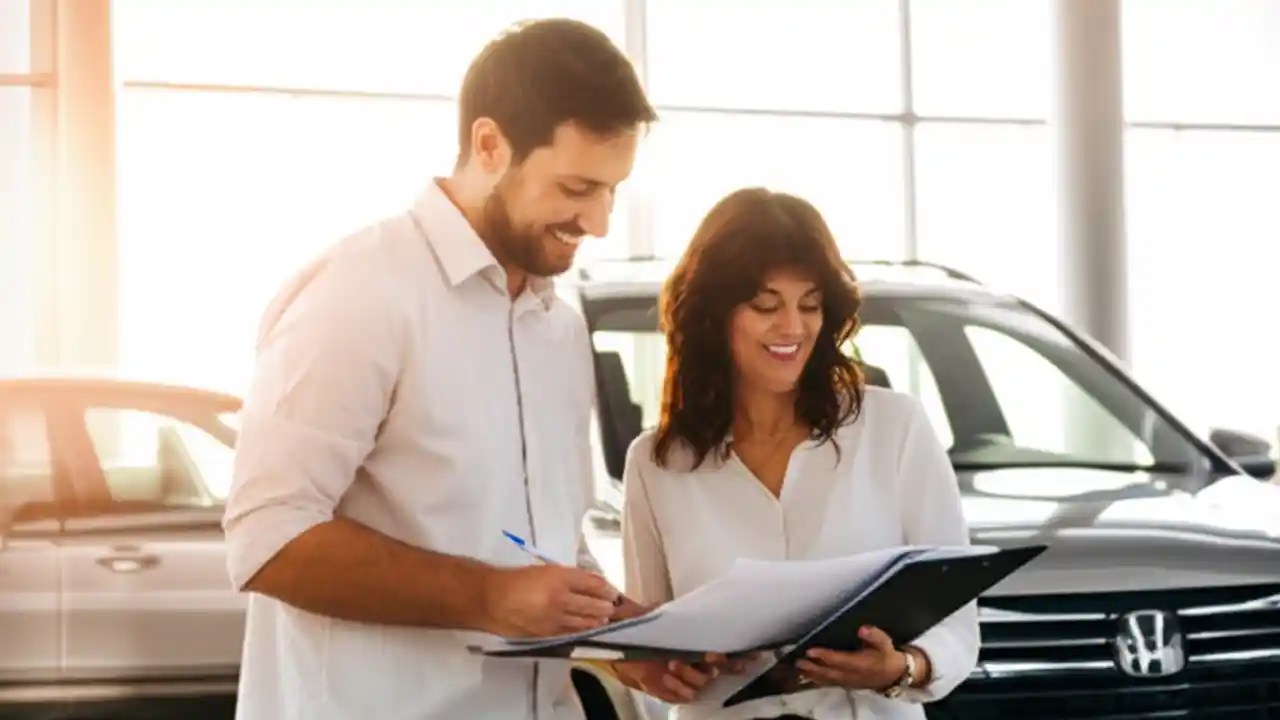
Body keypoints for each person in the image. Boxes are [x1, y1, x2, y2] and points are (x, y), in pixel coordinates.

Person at [222, 19, 660, 719]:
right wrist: (488, 598)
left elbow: (543, 535)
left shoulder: (559, 327)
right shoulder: (360, 290)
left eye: (613, 190)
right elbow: (266, 536)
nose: (599, 221)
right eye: (578, 187)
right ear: (490, 145)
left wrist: (620, 631)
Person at [617, 188, 980, 719]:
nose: (792, 327)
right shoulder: (656, 463)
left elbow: (958, 626)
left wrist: (902, 667)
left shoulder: (895, 428)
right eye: (766, 305)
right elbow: (650, 655)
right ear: (713, 314)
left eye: (809, 304)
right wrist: (672, 670)